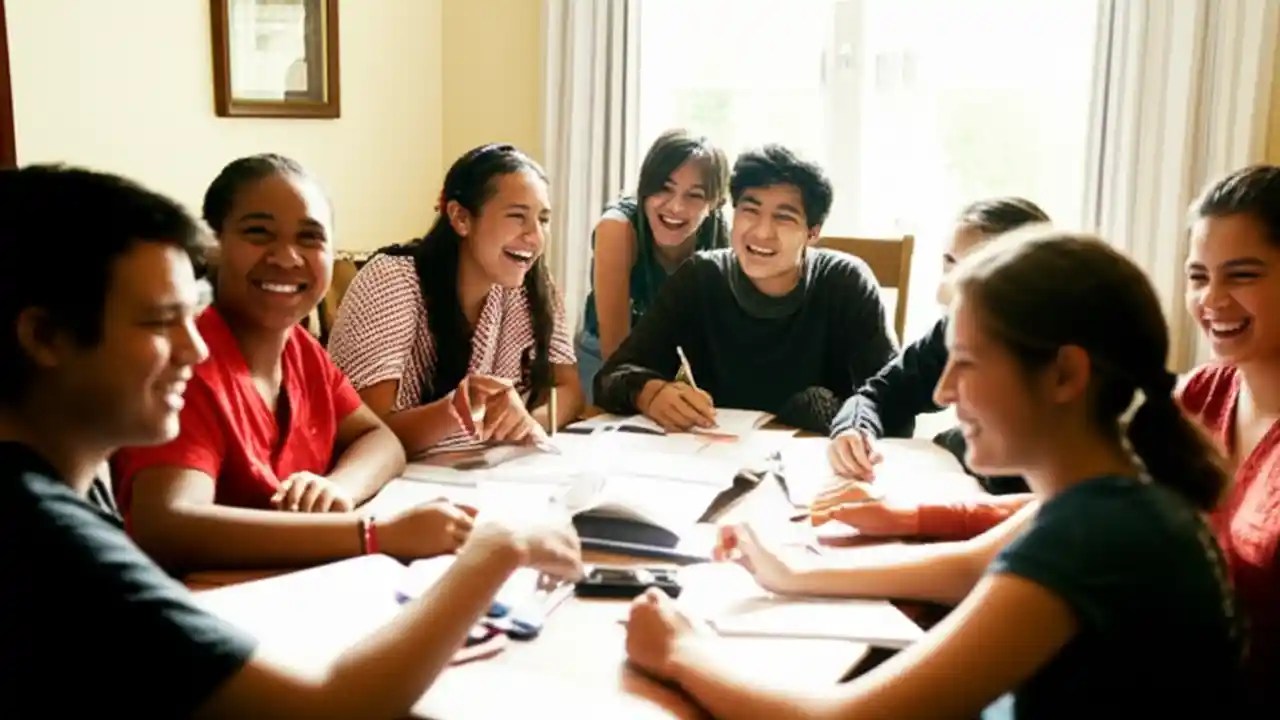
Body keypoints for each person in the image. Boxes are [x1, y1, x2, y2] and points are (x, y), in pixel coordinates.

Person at [0, 164, 583, 718]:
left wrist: (339, 490)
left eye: (190, 314)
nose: (195, 349)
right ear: (46, 336)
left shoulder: (73, 488)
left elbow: (378, 439)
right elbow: (331, 707)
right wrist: (492, 549)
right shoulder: (45, 540)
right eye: (159, 324)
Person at [624, 232, 1243, 718]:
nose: (945, 390)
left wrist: (681, 652)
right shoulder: (1112, 498)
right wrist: (796, 571)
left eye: (967, 364)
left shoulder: (1098, 531)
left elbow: (843, 719)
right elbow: (970, 567)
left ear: (1064, 376)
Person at [109, 155, 476, 573]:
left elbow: (381, 440)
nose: (286, 257)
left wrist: (337, 490)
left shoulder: (300, 349)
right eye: (258, 233)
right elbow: (168, 525)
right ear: (212, 244)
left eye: (309, 238)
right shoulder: (186, 362)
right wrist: (373, 535)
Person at [594, 144, 897, 433]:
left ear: (812, 232)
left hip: (820, 465)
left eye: (783, 217)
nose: (762, 233)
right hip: (714, 462)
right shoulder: (701, 278)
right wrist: (650, 392)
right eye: (750, 211)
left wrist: (825, 413)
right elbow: (610, 379)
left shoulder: (845, 283)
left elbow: (895, 404)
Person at [328, 144, 582, 458]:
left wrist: (527, 423)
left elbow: (568, 389)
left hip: (485, 472)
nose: (535, 236)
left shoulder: (531, 283)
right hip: (392, 480)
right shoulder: (392, 279)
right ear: (460, 217)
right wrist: (458, 411)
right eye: (517, 216)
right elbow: (364, 432)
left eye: (543, 220)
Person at [1178, 164, 1280, 712]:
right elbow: (1088, 504)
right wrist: (913, 520)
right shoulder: (1201, 393)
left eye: (1241, 275)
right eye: (1198, 276)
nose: (1211, 299)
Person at [575, 129, 730, 402]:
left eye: (694, 195)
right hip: (606, 361)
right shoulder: (618, 229)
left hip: (678, 366)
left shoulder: (721, 238)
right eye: (664, 188)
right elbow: (616, 361)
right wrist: (650, 395)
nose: (676, 207)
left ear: (714, 204)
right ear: (645, 188)